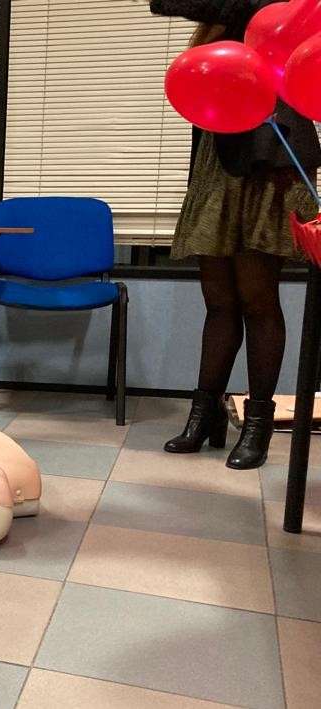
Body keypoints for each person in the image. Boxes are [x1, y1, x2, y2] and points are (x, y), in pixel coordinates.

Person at [150, 1, 321, 469]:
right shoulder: (219, 30)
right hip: (217, 163)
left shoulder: (269, 10)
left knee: (258, 301)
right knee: (219, 302)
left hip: (269, 165)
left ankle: (257, 424)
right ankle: (205, 414)